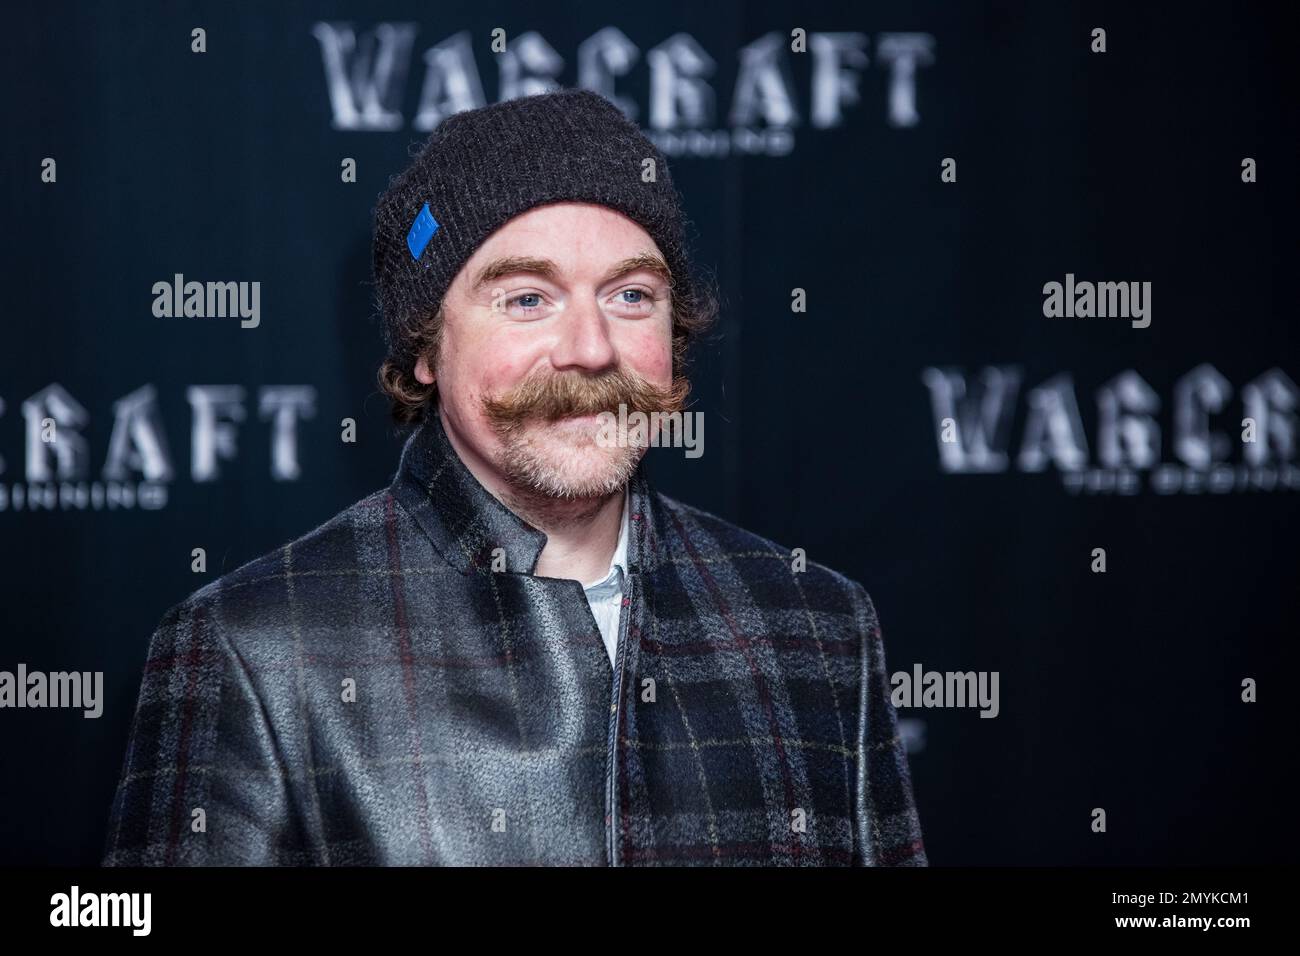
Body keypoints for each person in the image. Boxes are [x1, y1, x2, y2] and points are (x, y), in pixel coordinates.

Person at [102, 89, 926, 866]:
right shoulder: (253, 650)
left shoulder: (818, 627)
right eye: (528, 299)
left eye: (631, 294)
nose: (591, 348)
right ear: (425, 349)